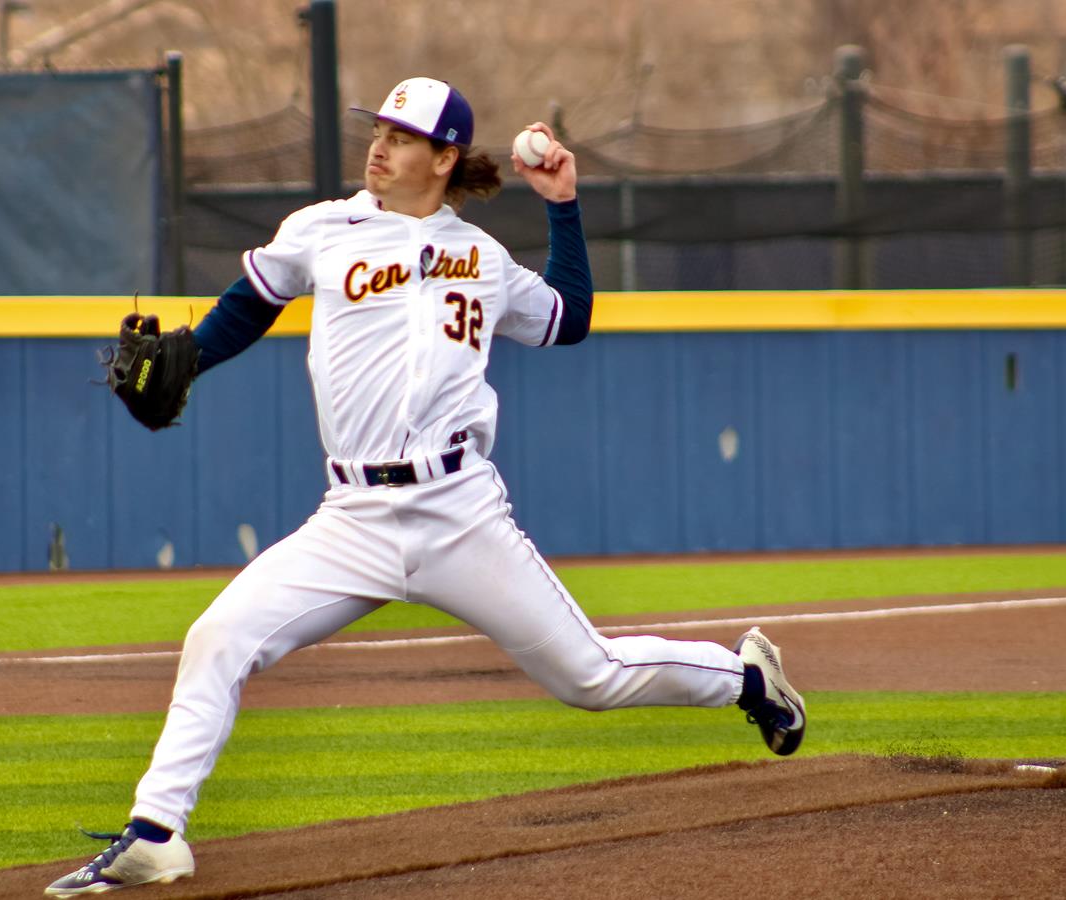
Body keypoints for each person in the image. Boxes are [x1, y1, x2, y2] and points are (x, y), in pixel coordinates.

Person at [45, 77, 806, 896]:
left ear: (444, 158)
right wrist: (187, 352)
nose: (379, 146)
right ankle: (156, 831)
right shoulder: (323, 228)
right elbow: (246, 308)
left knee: (591, 678)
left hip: (458, 512)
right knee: (217, 639)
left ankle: (747, 677)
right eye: (377, 130)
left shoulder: (482, 258)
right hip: (353, 518)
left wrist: (562, 204)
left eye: (401, 137)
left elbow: (569, 316)